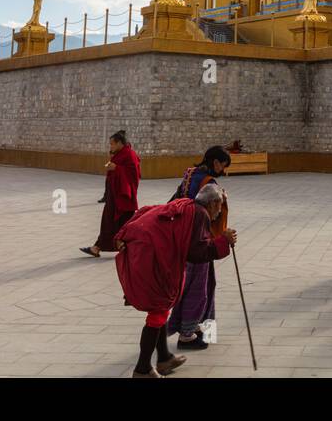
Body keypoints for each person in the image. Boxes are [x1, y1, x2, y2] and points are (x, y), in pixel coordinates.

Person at [115, 182, 236, 378]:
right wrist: (224, 241)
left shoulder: (187, 204)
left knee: (161, 308)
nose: (219, 212)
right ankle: (142, 369)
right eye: (220, 206)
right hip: (151, 259)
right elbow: (196, 252)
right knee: (158, 312)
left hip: (147, 254)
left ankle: (164, 358)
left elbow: (148, 211)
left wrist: (122, 234)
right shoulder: (199, 214)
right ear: (213, 203)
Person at [167, 144, 232, 349]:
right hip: (199, 241)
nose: (224, 170)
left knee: (189, 287)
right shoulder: (208, 183)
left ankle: (192, 327)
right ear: (215, 163)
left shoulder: (190, 174)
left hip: (183, 236)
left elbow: (175, 200)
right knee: (200, 288)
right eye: (223, 165)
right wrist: (223, 203)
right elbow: (214, 214)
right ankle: (188, 332)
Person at [81, 130, 140, 258]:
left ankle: (104, 247)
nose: (111, 147)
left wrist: (117, 168)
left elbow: (134, 176)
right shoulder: (120, 153)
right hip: (115, 196)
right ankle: (102, 246)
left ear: (120, 143)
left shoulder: (129, 155)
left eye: (112, 144)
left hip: (124, 198)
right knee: (110, 222)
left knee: (117, 224)